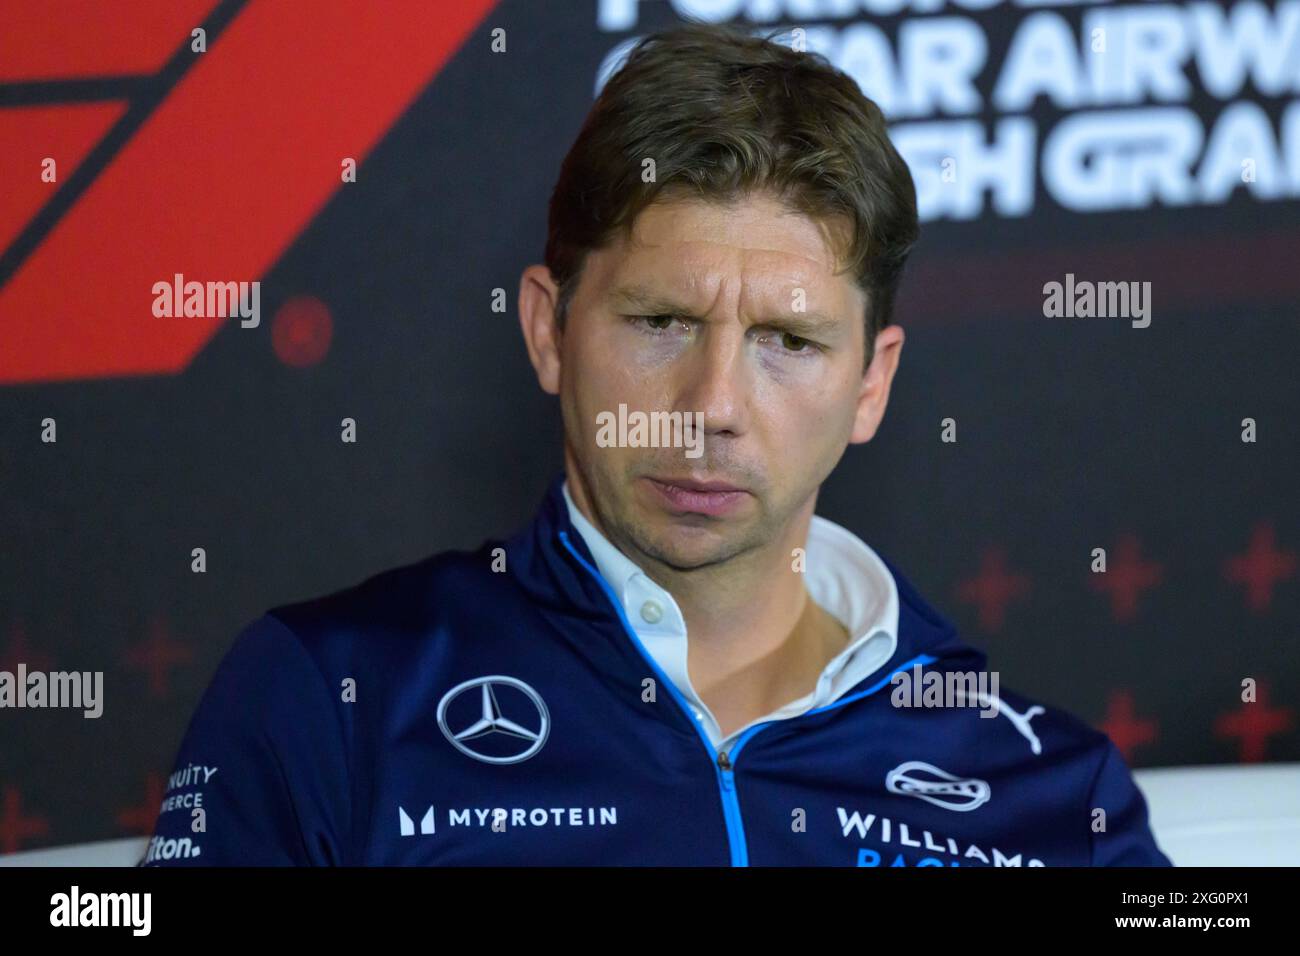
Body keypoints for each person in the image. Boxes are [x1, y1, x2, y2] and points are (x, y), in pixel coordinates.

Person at [143, 22, 1171, 867]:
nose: (711, 402)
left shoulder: (1053, 792)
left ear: (870, 384)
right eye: (660, 321)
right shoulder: (330, 697)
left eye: (787, 341)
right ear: (549, 330)